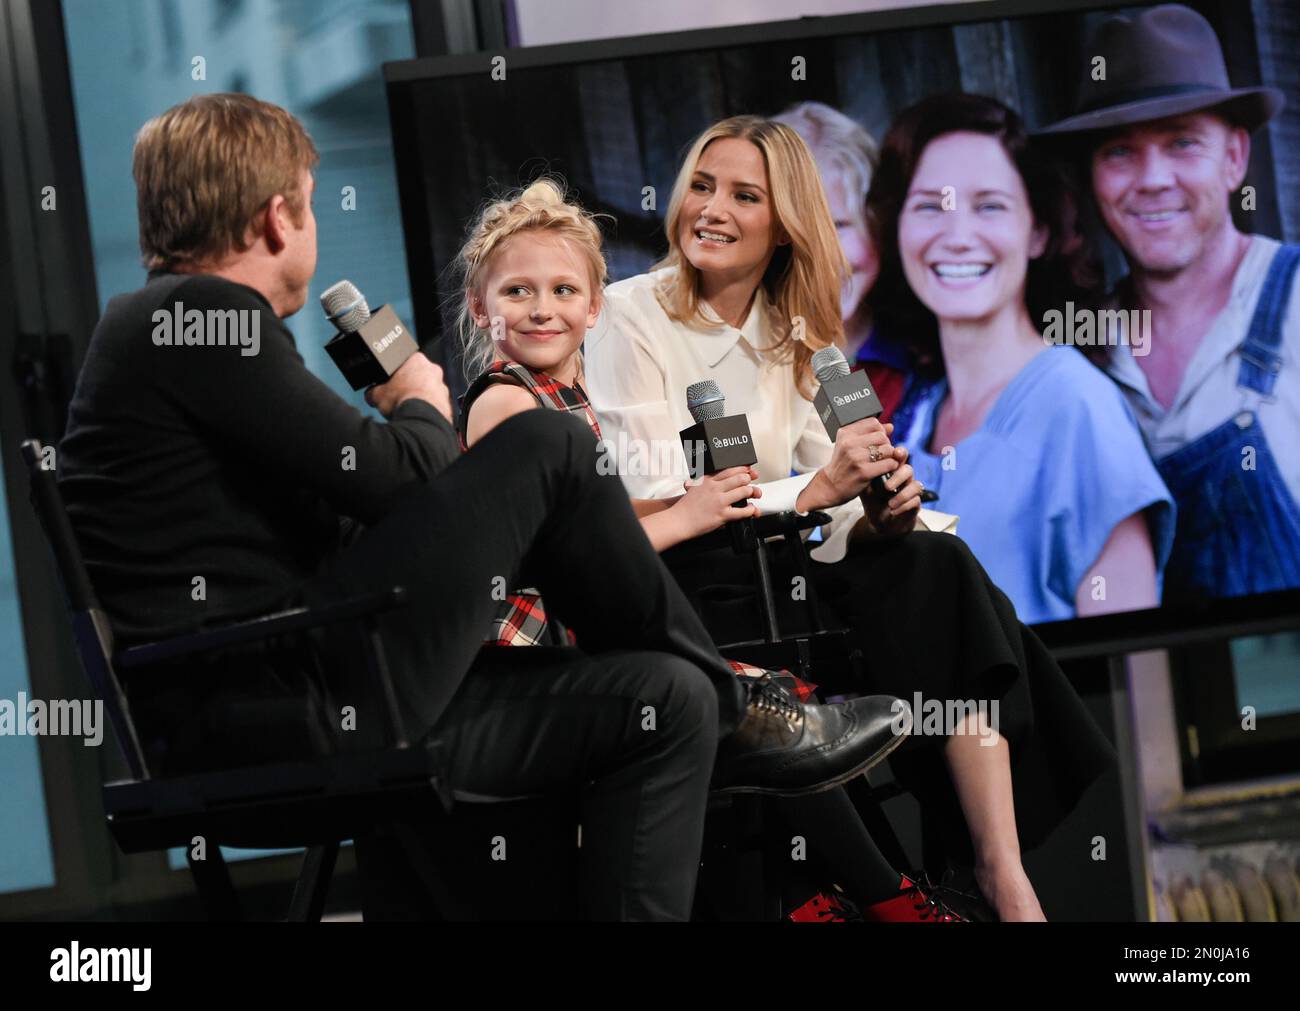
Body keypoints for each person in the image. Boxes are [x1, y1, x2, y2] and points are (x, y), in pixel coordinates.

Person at [55, 94, 897, 922]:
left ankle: (720, 702)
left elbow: (348, 512)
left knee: (666, 696)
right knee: (551, 446)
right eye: (311, 207)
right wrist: (419, 395)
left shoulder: (164, 327)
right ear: (279, 218)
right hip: (284, 715)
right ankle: (740, 706)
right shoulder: (199, 320)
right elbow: (403, 478)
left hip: (287, 691)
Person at [586, 113, 1116, 920]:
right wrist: (808, 491)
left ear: (785, 225)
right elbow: (654, 491)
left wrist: (880, 511)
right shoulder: (631, 312)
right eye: (701, 186)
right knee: (957, 603)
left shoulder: (803, 332)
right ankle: (946, 877)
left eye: (743, 195)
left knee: (939, 565)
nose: (710, 208)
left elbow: (833, 506)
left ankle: (1001, 869)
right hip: (690, 579)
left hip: (785, 571)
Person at [454, 176, 965, 921]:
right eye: (518, 292)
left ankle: (830, 893)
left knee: (769, 706)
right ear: (480, 308)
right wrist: (686, 515)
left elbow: (602, 515)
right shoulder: (506, 399)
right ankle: (877, 898)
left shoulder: (575, 398)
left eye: (564, 289)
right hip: (536, 652)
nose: (542, 309)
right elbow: (551, 552)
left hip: (586, 632)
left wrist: (704, 502)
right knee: (759, 710)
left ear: (594, 307)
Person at [866, 93, 1175, 624]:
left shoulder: (1076, 408)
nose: (958, 236)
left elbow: (1133, 659)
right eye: (928, 206)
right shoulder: (915, 416)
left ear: (1038, 232)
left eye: (990, 205)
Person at [1038, 4, 1299, 602]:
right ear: (1092, 177)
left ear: (1235, 158)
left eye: (1183, 143)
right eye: (1120, 152)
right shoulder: (1077, 353)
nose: (1152, 178)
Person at [772, 102, 910, 422]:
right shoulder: (722, 369)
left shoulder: (926, 354)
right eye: (791, 232)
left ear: (877, 222)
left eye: (838, 226)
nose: (819, 257)